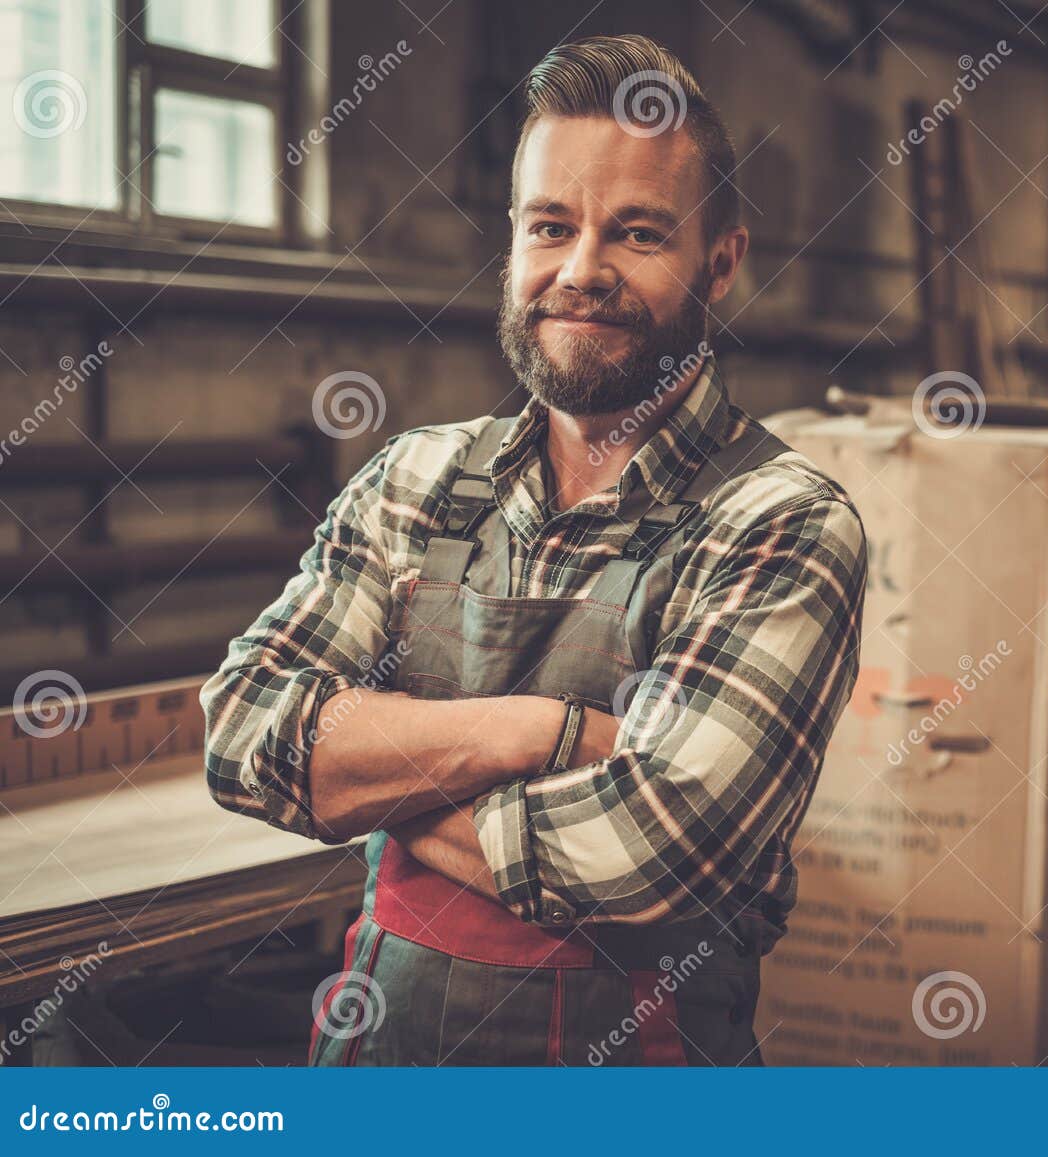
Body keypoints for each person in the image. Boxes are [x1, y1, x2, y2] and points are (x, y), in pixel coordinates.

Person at [200, 33, 866, 1066]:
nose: (581, 270)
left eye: (638, 233)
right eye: (550, 225)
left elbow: (648, 849)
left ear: (719, 261)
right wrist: (548, 731)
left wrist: (370, 781)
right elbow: (244, 732)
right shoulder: (413, 481)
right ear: (513, 240)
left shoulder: (777, 522)